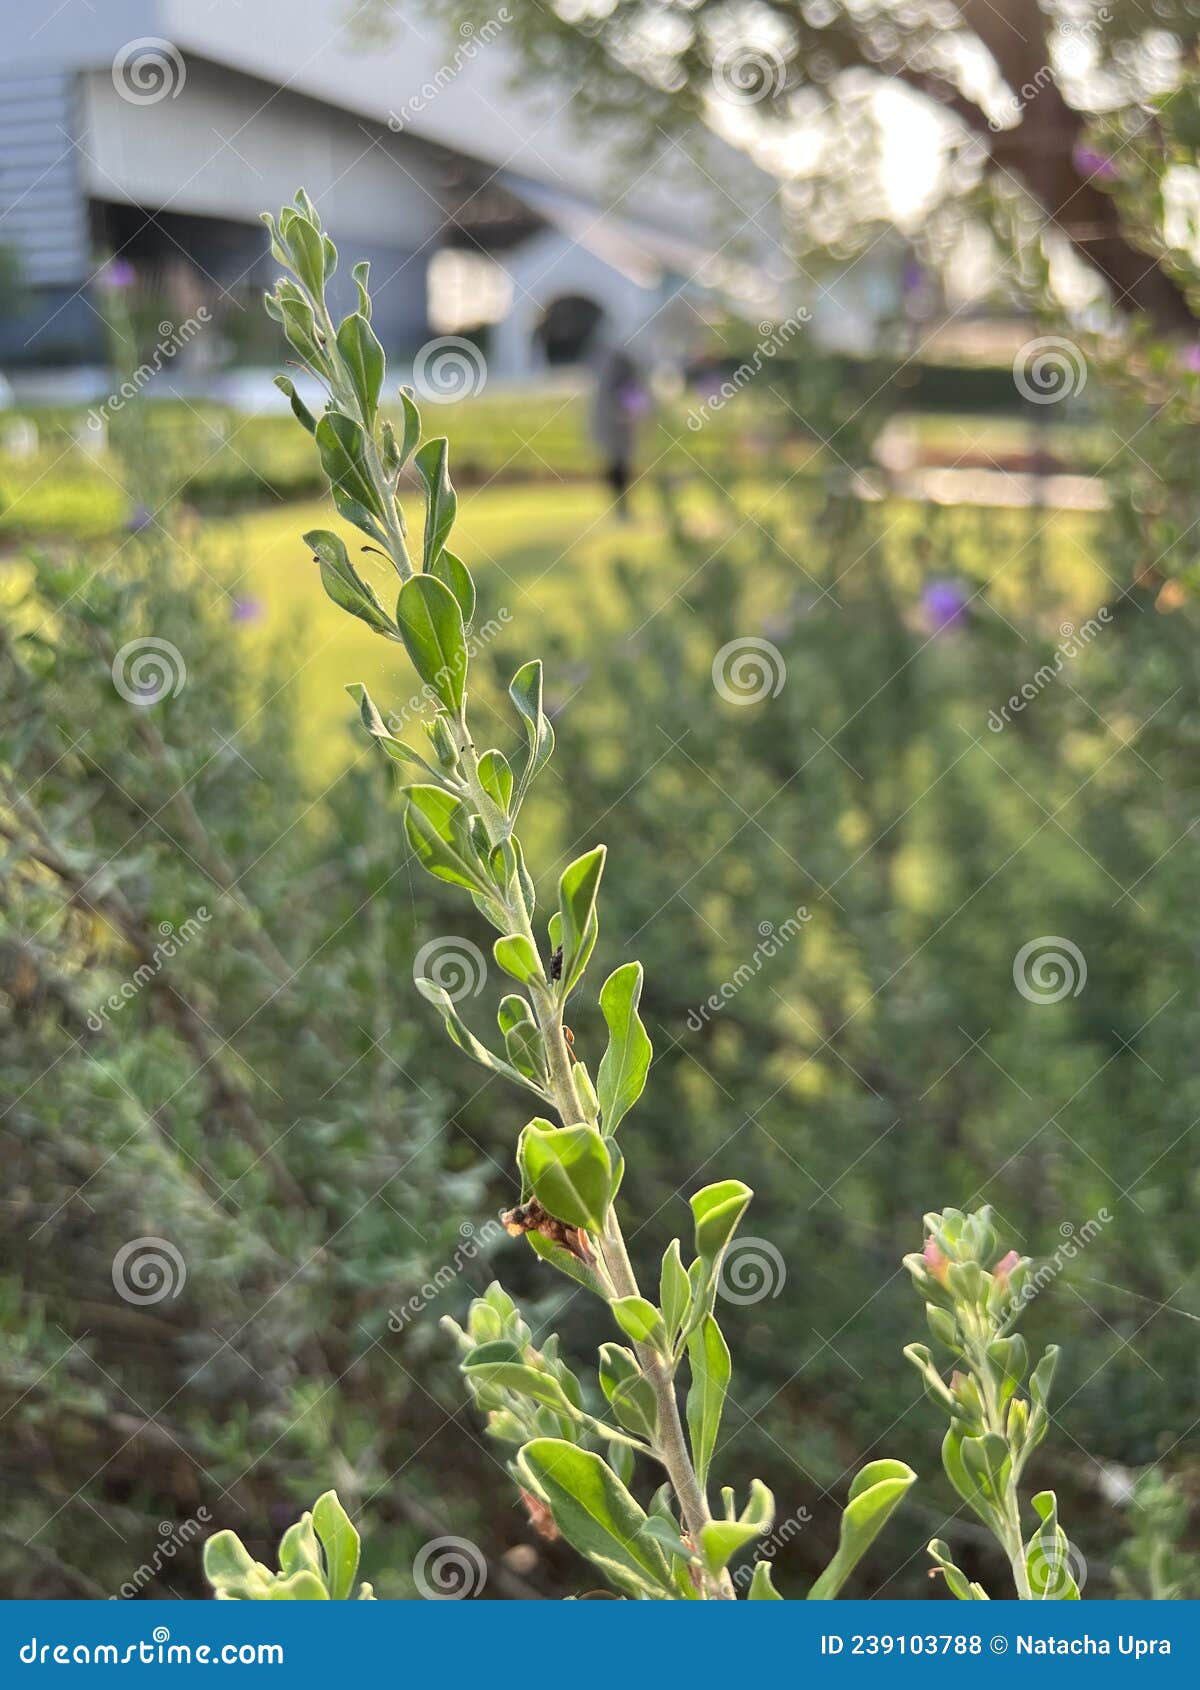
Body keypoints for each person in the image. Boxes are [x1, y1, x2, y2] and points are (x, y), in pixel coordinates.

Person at [590, 340, 644, 519]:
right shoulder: (616, 365)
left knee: (620, 467)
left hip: (621, 431)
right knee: (618, 468)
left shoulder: (621, 366)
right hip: (617, 431)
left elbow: (634, 401)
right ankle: (621, 508)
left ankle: (623, 507)